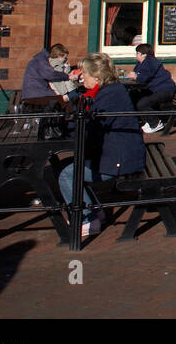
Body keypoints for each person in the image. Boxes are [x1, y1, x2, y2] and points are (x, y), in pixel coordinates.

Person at [59, 55, 146, 238]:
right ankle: (94, 210)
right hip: (119, 152)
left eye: (85, 74)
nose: (82, 77)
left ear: (97, 77)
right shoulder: (110, 91)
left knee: (67, 174)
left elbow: (91, 129)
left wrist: (65, 128)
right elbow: (91, 126)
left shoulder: (109, 95)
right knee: (67, 166)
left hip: (120, 158)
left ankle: (86, 220)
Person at [131, 43, 176, 134]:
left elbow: (143, 77)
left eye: (137, 53)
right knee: (134, 95)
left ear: (144, 54)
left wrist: (136, 77)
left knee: (142, 104)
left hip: (164, 91)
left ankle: (155, 123)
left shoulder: (150, 61)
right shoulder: (141, 63)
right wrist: (135, 75)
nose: (136, 55)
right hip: (156, 90)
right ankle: (147, 120)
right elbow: (136, 73)